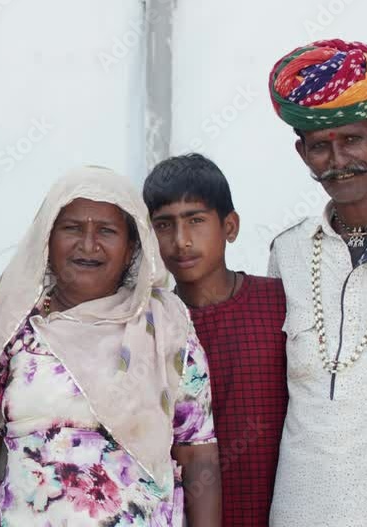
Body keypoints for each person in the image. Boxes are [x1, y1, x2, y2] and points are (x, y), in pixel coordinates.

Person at [0, 166, 221, 526]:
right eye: (72, 228)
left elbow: (197, 450)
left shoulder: (166, 325)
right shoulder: (13, 325)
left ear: (131, 248)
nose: (88, 245)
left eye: (107, 231)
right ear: (47, 240)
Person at [266, 39, 367, 525]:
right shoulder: (286, 253)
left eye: (352, 139)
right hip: (300, 511)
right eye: (320, 145)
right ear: (303, 153)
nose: (337, 159)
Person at [144, 153, 287, 526]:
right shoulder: (152, 327)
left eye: (195, 220)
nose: (181, 240)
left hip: (282, 509)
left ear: (230, 226)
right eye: (164, 225)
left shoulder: (278, 304)